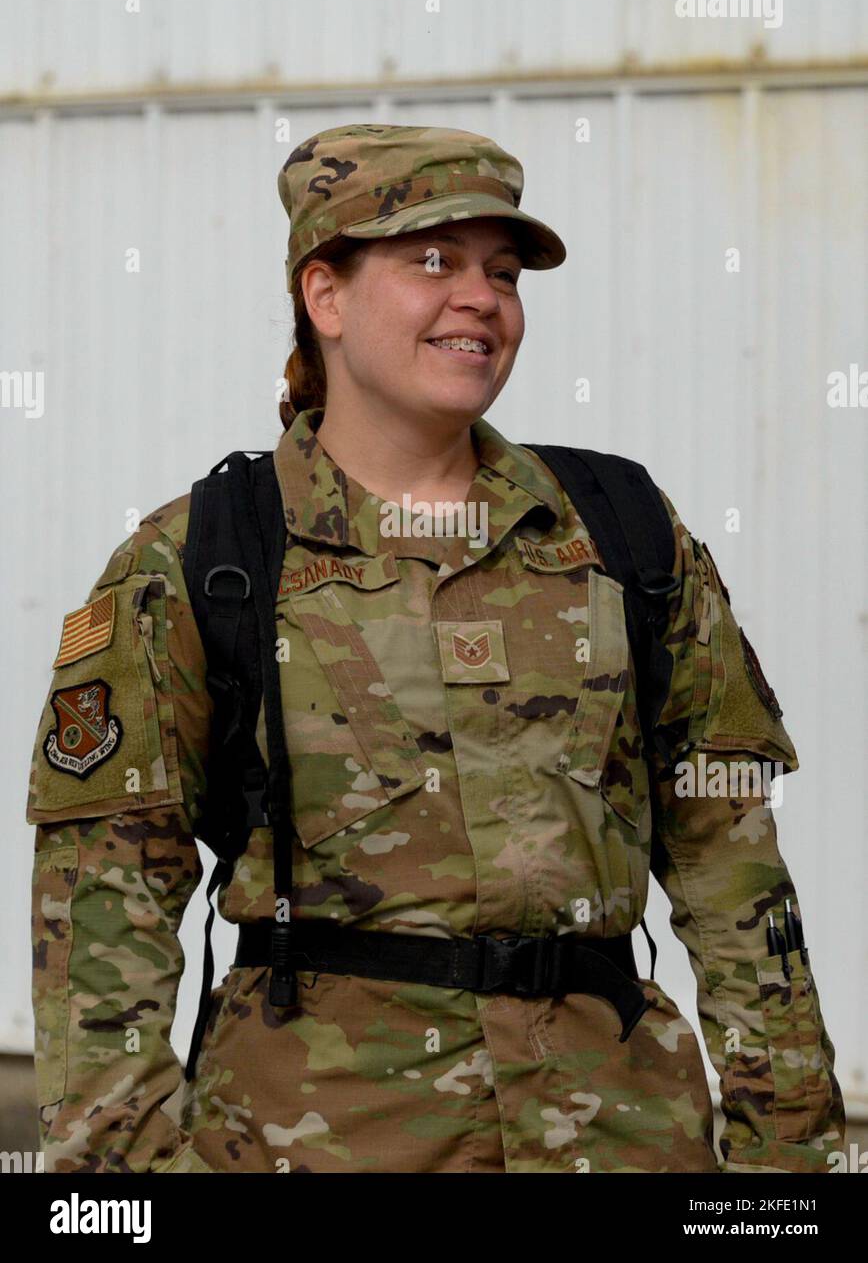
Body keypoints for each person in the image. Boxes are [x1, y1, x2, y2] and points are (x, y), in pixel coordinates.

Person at [27, 124, 845, 1173]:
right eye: (431, 261)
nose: (481, 299)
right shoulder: (199, 561)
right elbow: (100, 923)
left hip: (618, 1143)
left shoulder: (625, 536)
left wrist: (789, 1171)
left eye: (501, 273)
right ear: (325, 295)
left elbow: (734, 875)